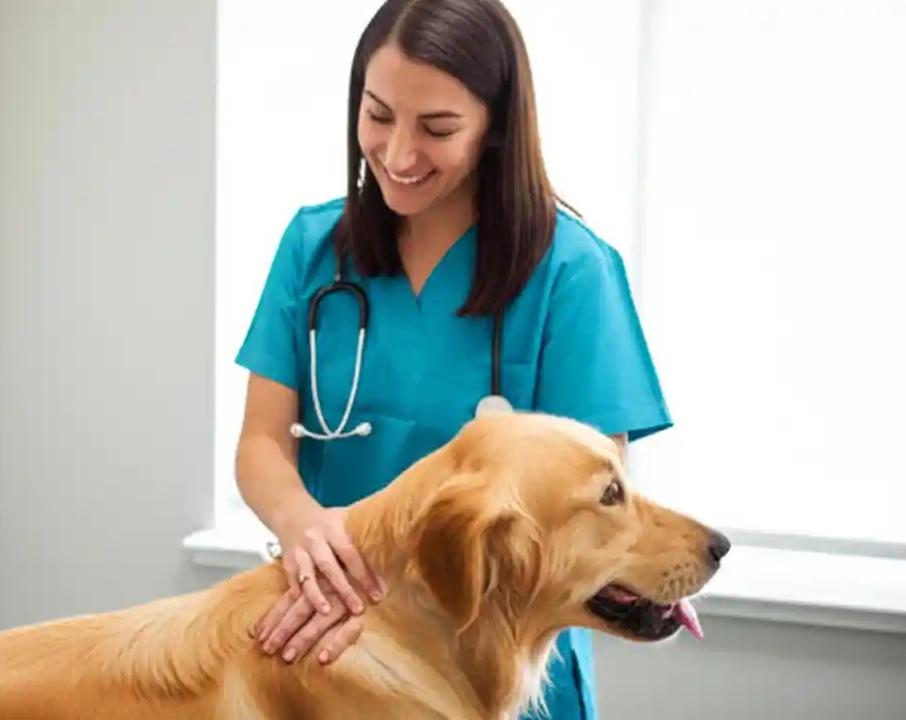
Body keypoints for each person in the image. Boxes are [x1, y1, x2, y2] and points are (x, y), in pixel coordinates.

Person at [231, 0, 672, 718]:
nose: (399, 154)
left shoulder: (572, 274)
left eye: (437, 128)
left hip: (495, 669)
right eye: (377, 116)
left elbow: (585, 511)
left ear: (495, 127)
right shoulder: (314, 250)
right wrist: (300, 524)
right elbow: (260, 443)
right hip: (337, 650)